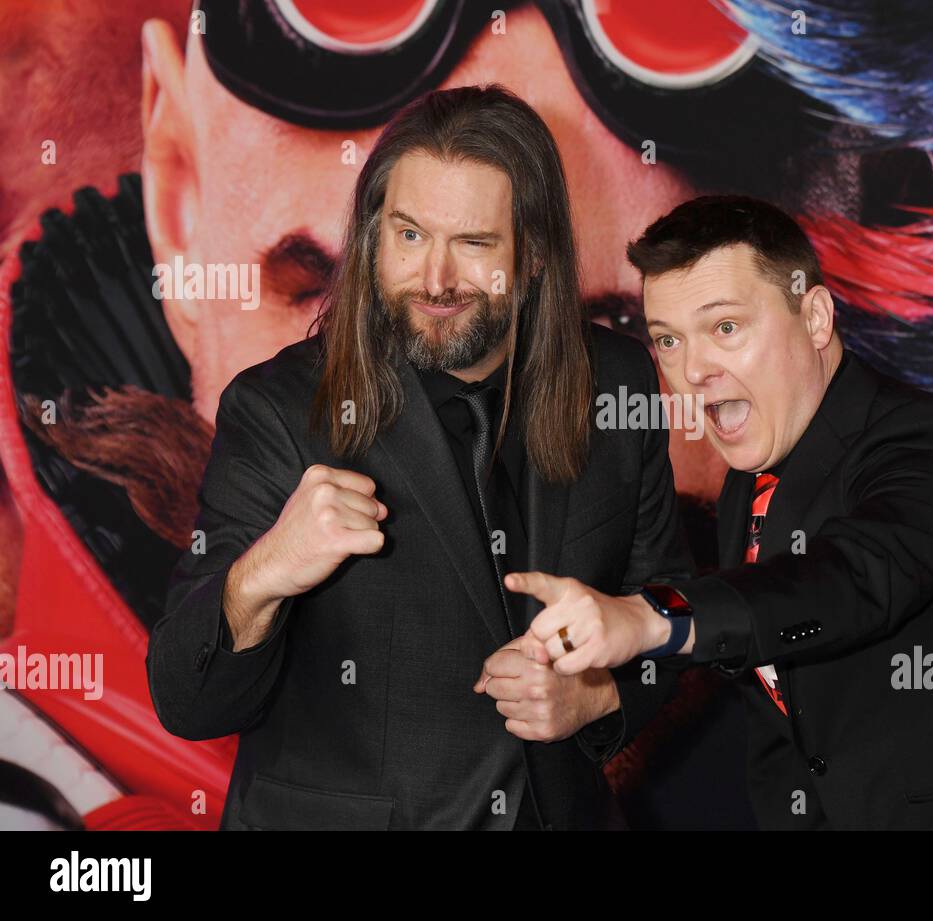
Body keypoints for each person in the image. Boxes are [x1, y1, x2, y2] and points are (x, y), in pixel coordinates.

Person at [509, 195, 933, 830]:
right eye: (668, 340)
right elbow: (795, 742)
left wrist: (656, 616)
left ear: (816, 317)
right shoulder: (749, 491)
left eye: (725, 328)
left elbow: (850, 580)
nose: (693, 370)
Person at [145, 85, 690, 830]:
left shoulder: (618, 383)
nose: (434, 279)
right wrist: (266, 571)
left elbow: (670, 606)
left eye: (472, 244)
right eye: (408, 236)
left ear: (532, 257)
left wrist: (597, 696)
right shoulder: (279, 408)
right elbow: (186, 698)